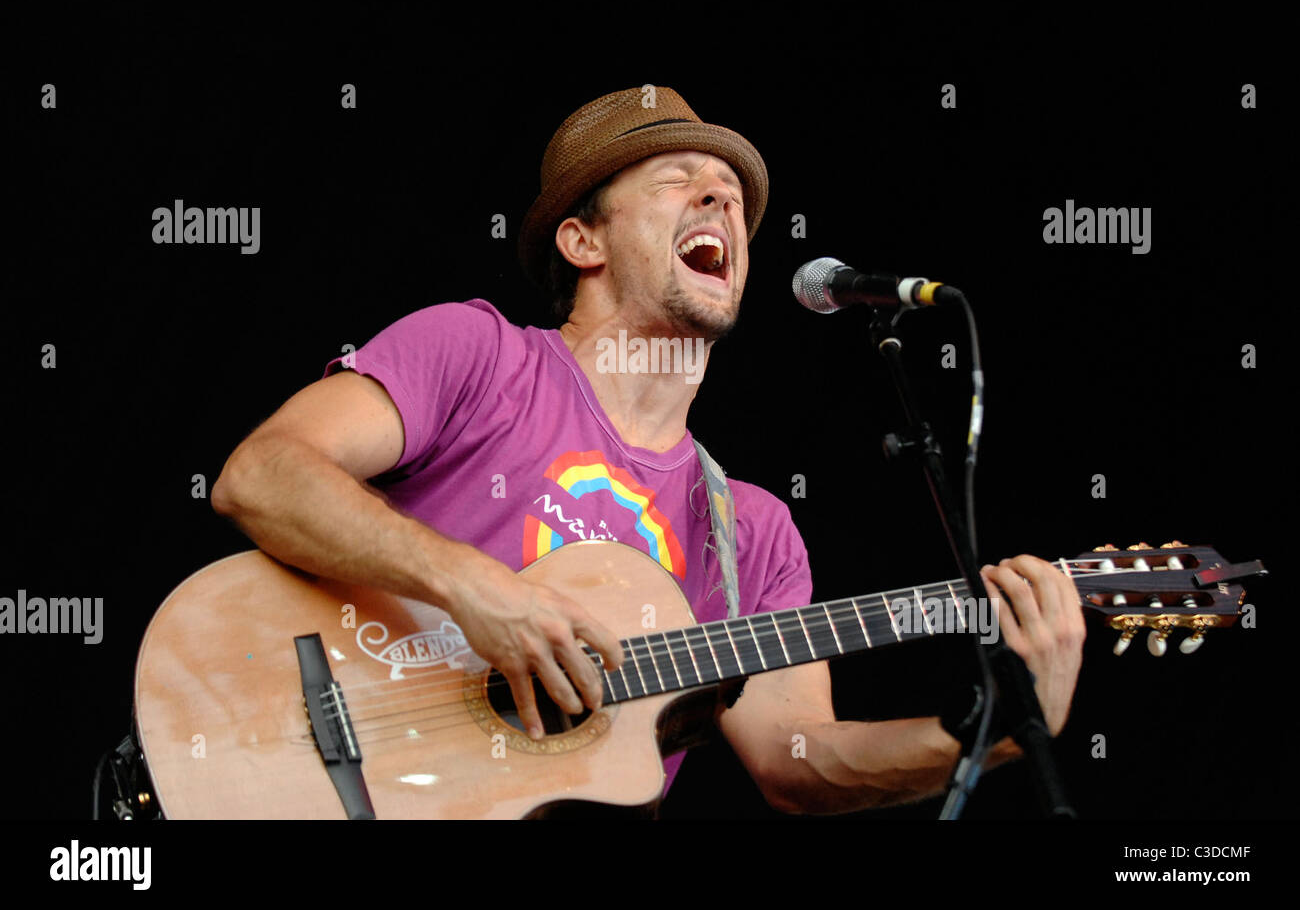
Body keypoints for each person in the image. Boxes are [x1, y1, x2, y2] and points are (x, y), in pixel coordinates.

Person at [210, 85, 1085, 815]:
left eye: (732, 194)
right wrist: (472, 587)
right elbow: (262, 475)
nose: (722, 200)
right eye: (679, 181)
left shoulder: (751, 533)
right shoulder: (477, 355)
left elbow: (799, 760)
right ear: (581, 240)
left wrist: (994, 734)